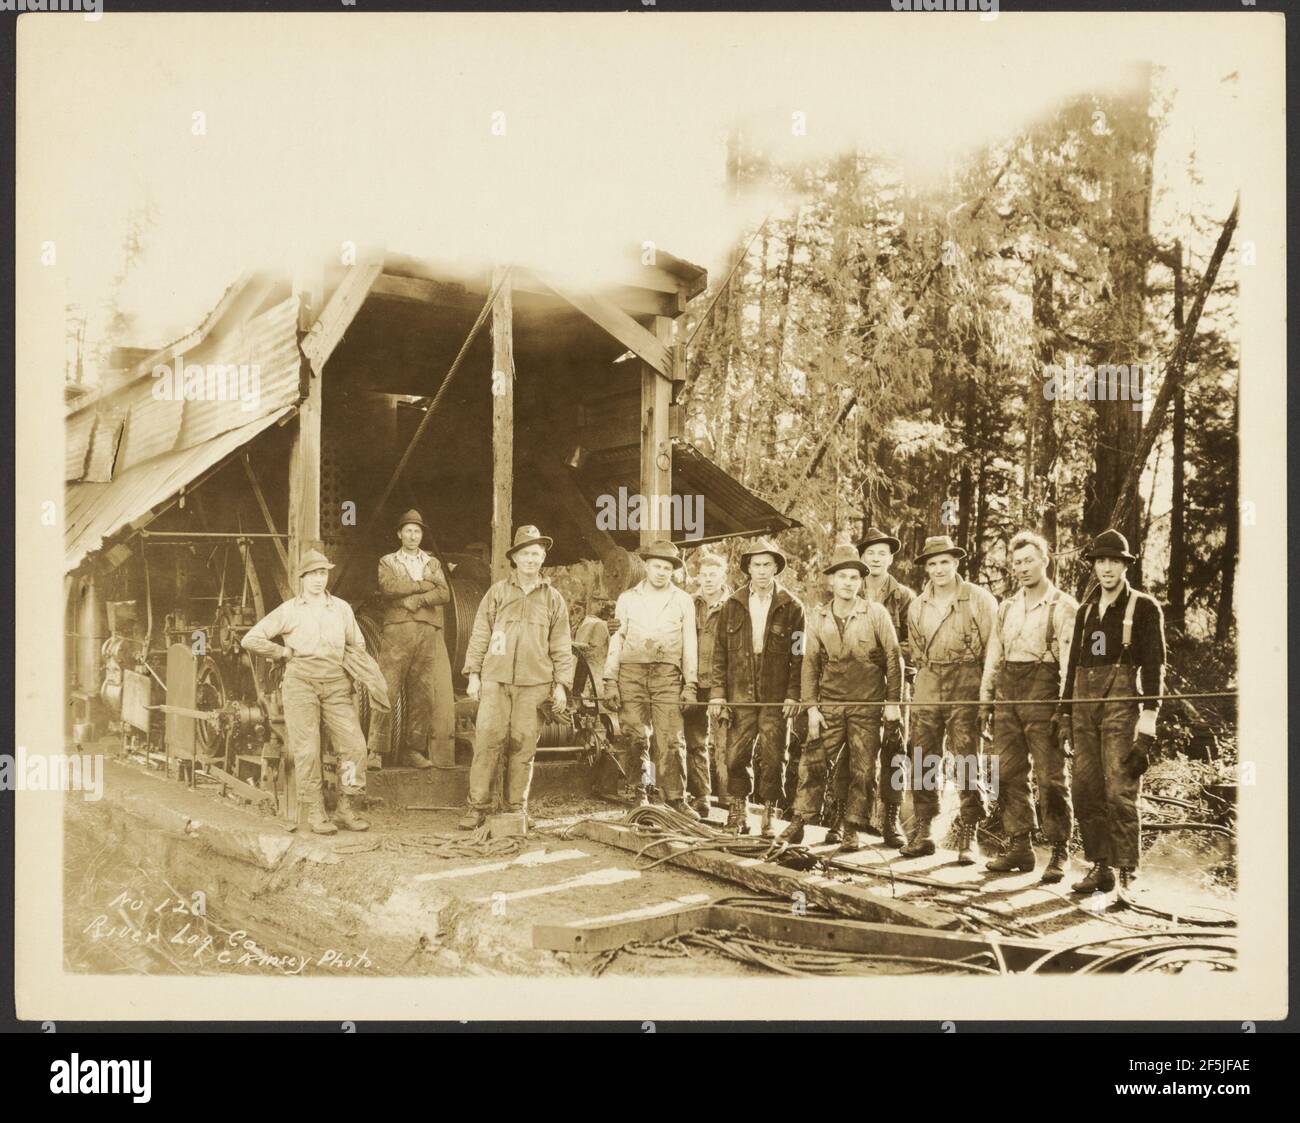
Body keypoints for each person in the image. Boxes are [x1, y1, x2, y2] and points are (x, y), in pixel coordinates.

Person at [1059, 529, 1167, 893]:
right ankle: (1100, 866)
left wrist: (1148, 728)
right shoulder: (1087, 611)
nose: (1107, 568)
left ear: (1125, 565)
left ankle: (1125, 874)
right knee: (1085, 788)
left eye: (1114, 561)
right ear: (1093, 565)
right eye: (1101, 561)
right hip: (1083, 708)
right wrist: (1064, 713)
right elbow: (1074, 664)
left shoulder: (1144, 607)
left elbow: (1154, 668)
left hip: (1122, 710)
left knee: (1120, 790)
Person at [780, 544, 903, 850]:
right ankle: (799, 822)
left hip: (867, 704)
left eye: (854, 577)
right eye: (842, 576)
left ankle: (851, 827)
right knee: (813, 760)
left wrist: (892, 704)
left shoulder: (875, 613)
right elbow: (808, 664)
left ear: (861, 582)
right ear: (830, 581)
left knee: (863, 769)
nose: (849, 582)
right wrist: (811, 708)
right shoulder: (818, 617)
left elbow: (893, 657)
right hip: (830, 704)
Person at [242, 549, 371, 835]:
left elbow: (357, 644)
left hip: (336, 684)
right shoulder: (289, 610)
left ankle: (346, 807)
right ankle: (315, 811)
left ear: (328, 576)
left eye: (323, 573)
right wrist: (281, 651)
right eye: (312, 574)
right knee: (308, 749)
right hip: (300, 684)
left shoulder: (341, 608)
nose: (318, 579)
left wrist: (351, 668)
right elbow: (250, 638)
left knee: (355, 746)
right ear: (302, 578)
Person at [459, 526, 575, 831]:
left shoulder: (553, 599)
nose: (531, 559)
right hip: (495, 680)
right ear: (515, 558)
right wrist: (473, 675)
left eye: (536, 554)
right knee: (487, 742)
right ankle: (477, 807)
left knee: (524, 747)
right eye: (525, 553)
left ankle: (515, 808)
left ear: (543, 557)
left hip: (535, 685)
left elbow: (562, 645)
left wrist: (561, 685)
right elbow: (480, 633)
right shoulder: (497, 592)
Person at [979, 531, 1079, 882]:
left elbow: (1070, 664)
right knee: (1007, 774)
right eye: (1016, 562)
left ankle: (1059, 850)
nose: (1022, 568)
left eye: (1029, 560)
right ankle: (1019, 845)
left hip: (1045, 697)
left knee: (1050, 777)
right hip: (1007, 697)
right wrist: (984, 701)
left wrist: (1066, 711)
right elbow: (995, 656)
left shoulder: (1063, 606)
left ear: (1045, 560)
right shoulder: (1006, 607)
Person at [901, 535, 998, 863]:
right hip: (928, 681)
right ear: (925, 568)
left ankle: (968, 829)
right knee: (921, 754)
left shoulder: (979, 600)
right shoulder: (917, 605)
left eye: (945, 561)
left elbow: (992, 651)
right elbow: (916, 652)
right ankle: (924, 826)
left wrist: (986, 697)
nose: (939, 569)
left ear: (956, 563)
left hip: (966, 680)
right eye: (932, 563)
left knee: (966, 755)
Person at [708, 538, 804, 837]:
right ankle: (739, 813)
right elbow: (720, 652)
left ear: (776, 568)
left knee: (775, 755)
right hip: (740, 691)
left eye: (767, 565)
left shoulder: (792, 607)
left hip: (775, 693)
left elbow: (800, 656)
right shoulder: (732, 605)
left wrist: (793, 694)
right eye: (756, 565)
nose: (762, 571)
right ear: (748, 568)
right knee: (736, 754)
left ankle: (770, 817)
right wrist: (718, 694)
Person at [603, 540, 700, 817]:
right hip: (631, 673)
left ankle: (675, 798)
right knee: (636, 736)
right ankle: (640, 792)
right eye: (656, 566)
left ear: (674, 571)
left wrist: (690, 685)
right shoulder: (627, 598)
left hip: (667, 675)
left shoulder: (682, 600)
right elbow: (616, 640)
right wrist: (610, 680)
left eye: (667, 568)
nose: (661, 572)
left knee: (670, 738)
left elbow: (689, 643)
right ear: (645, 566)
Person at [366, 509, 450, 770]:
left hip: (427, 631)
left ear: (421, 535)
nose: (413, 535)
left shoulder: (432, 562)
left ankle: (412, 751)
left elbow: (444, 593)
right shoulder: (387, 561)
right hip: (397, 630)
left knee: (422, 692)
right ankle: (375, 752)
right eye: (408, 531)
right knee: (386, 688)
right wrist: (422, 585)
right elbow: (389, 588)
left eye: (417, 531)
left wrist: (416, 600)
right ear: (399, 534)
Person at [855, 525, 915, 848]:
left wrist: (891, 653)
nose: (876, 559)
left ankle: (890, 819)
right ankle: (852, 817)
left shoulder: (904, 597)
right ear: (861, 559)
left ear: (891, 558)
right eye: (870, 554)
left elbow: (915, 644)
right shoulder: (851, 588)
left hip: (895, 680)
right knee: (856, 745)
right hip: (857, 682)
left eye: (882, 553)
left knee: (894, 748)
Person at [685, 552, 729, 818]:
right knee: (695, 741)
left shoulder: (735, 604)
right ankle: (701, 797)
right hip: (694, 681)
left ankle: (731, 801)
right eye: (704, 575)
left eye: (714, 574)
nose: (709, 579)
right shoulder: (689, 603)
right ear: (698, 577)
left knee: (728, 743)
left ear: (723, 576)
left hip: (725, 683)